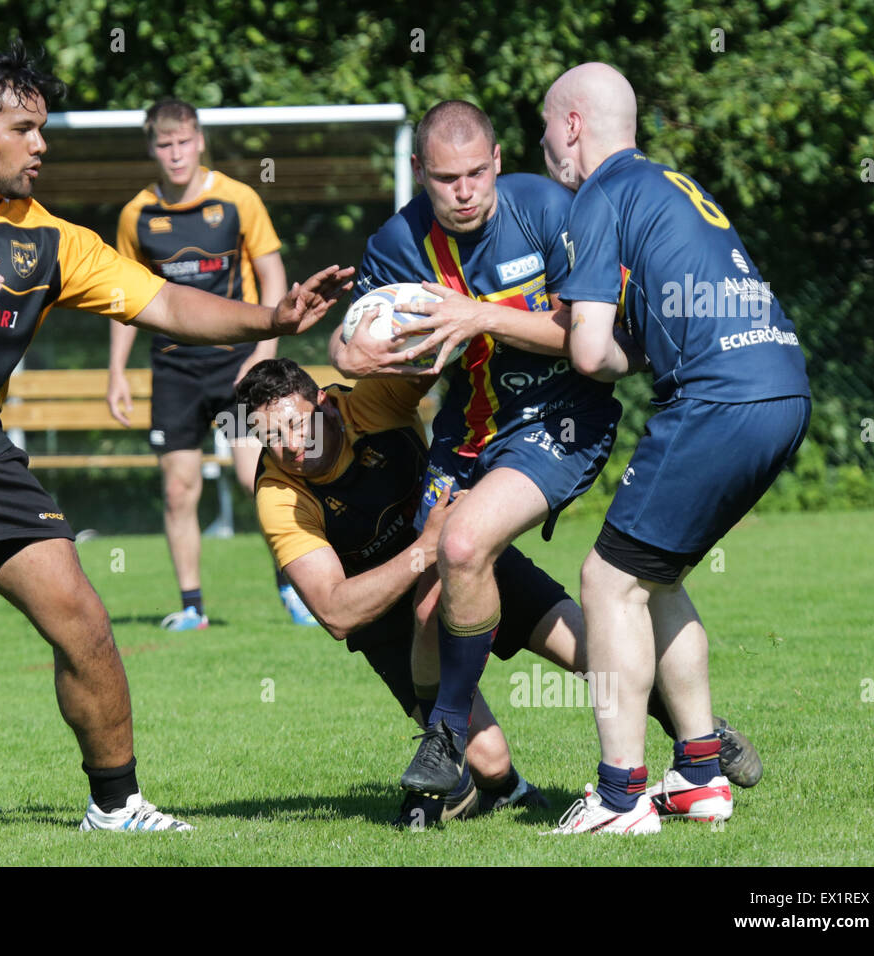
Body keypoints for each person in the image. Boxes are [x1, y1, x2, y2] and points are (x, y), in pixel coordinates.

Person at [0, 43, 350, 852]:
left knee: (80, 613)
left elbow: (166, 306)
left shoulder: (49, 239)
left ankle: (116, 805)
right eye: (25, 127)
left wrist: (270, 319)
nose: (42, 144)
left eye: (44, 127)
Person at [235, 358, 762, 828]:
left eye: (296, 426)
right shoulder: (279, 494)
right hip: (391, 622)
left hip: (472, 562)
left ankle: (698, 733)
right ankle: (503, 793)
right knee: (489, 760)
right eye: (269, 438)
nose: (288, 448)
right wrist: (426, 547)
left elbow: (442, 356)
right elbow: (336, 612)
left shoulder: (370, 402)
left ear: (323, 402)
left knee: (594, 654)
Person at [537, 63, 811, 834]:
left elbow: (590, 352)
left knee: (605, 582)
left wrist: (629, 349)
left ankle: (619, 798)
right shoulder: (671, 181)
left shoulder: (599, 195)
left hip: (720, 398)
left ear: (574, 125)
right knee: (653, 579)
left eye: (545, 127)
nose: (544, 145)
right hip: (783, 385)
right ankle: (697, 776)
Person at [331, 101, 623, 802]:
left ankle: (447, 736)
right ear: (417, 173)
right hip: (467, 434)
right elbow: (352, 343)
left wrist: (480, 315)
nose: (462, 192)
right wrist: (355, 351)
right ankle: (690, 720)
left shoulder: (547, 209)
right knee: (430, 603)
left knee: (460, 546)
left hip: (561, 418)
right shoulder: (398, 242)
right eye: (444, 179)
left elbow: (599, 345)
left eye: (474, 174)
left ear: (496, 162)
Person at [108, 98, 316, 630]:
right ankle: (192, 607)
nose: (175, 154)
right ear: (152, 149)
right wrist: (116, 374)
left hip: (237, 370)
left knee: (260, 480)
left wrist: (264, 350)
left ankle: (293, 587)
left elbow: (273, 274)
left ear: (199, 141)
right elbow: (120, 297)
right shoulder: (137, 215)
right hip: (174, 370)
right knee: (179, 490)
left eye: (183, 142)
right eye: (164, 144)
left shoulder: (237, 198)